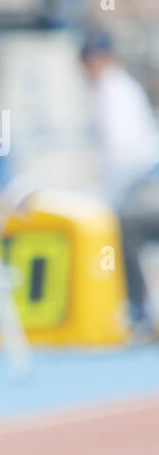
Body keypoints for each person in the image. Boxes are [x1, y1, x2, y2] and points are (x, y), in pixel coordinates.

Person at [80, 31, 159, 338]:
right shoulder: (115, 90)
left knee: (124, 230)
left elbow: (125, 156)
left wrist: (104, 196)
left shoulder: (114, 93)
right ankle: (139, 312)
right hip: (140, 185)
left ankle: (139, 313)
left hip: (145, 185)